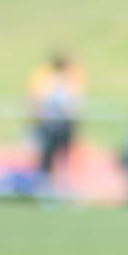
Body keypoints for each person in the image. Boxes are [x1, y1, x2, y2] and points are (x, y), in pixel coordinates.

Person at [27, 51, 84, 189]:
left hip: (64, 124)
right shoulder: (46, 78)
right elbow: (38, 100)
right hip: (49, 124)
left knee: (64, 158)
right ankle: (44, 187)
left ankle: (62, 187)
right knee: (47, 157)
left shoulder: (70, 78)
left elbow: (73, 103)